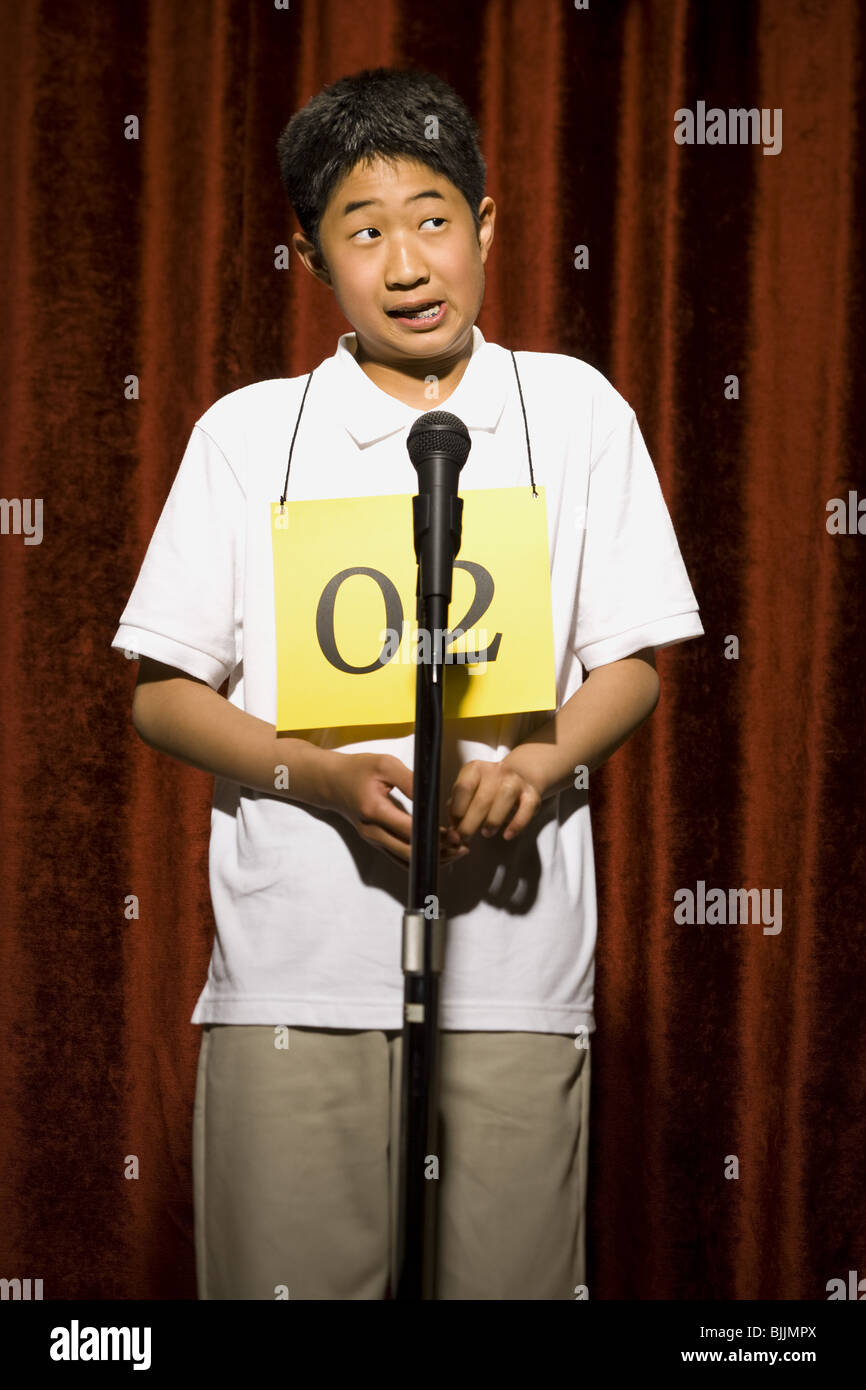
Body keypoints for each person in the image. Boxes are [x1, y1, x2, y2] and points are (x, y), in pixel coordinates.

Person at [111, 65, 703, 1301]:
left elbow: (633, 663)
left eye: (433, 219)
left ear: (487, 227)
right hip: (295, 965)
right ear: (313, 258)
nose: (407, 262)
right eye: (363, 232)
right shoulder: (246, 429)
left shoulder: (575, 409)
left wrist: (545, 764)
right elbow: (162, 691)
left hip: (516, 967)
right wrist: (314, 774)